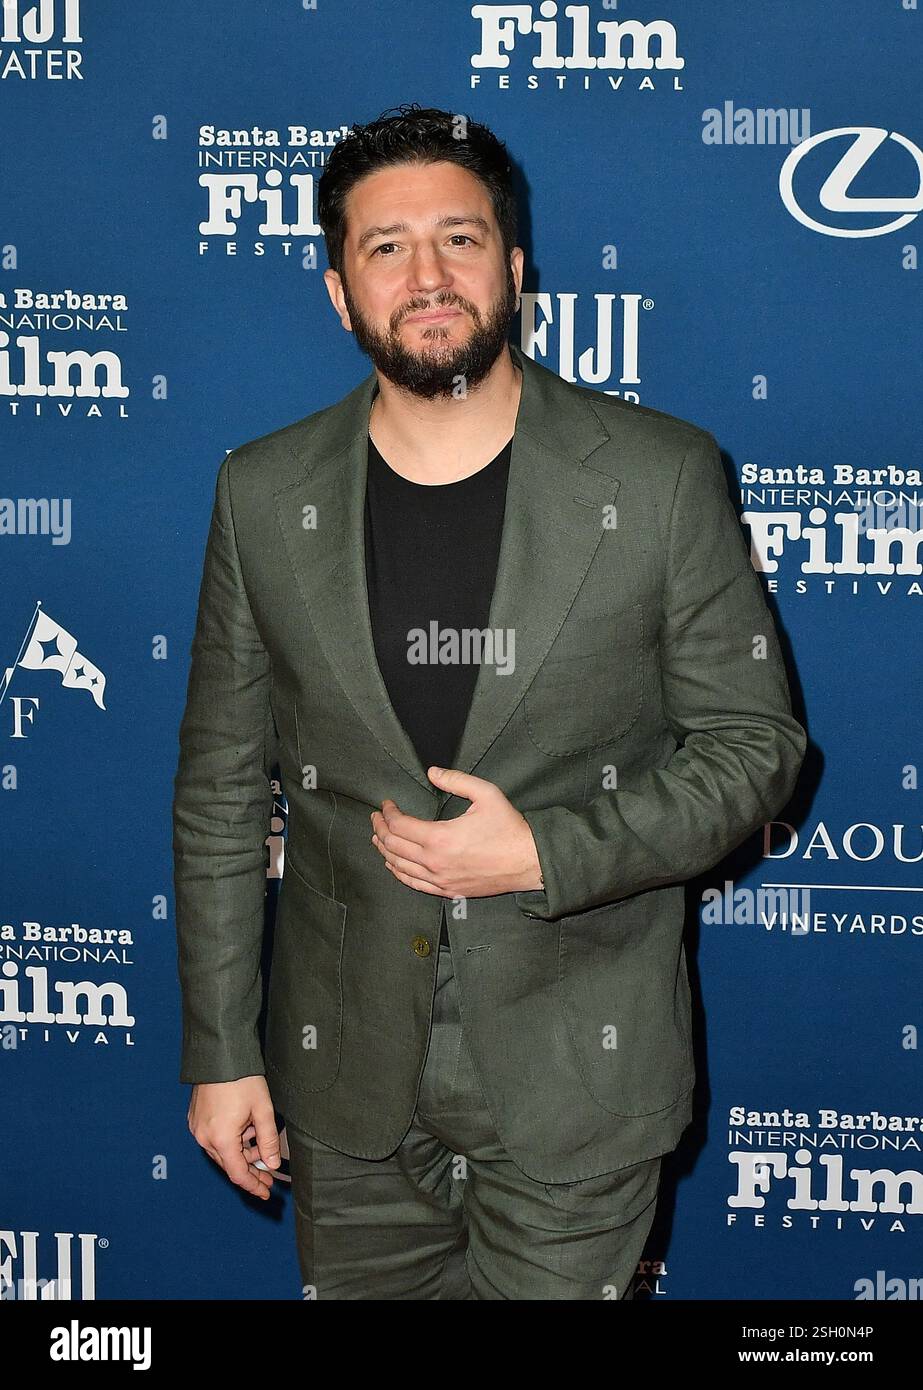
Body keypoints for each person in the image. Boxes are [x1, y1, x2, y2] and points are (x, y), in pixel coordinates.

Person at [173, 104, 807, 1299]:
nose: (426, 275)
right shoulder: (260, 493)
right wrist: (220, 1049)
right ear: (336, 290)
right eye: (384, 246)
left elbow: (753, 748)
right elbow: (218, 789)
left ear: (515, 269)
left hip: (577, 1073)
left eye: (459, 240)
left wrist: (543, 852)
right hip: (345, 1078)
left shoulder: (660, 476)